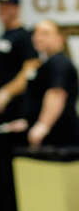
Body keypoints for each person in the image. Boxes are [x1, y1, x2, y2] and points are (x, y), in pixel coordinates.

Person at [10, 20, 79, 148]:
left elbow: (57, 94)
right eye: (36, 33)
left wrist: (43, 126)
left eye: (45, 33)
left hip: (59, 139)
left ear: (60, 38)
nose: (38, 37)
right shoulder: (43, 64)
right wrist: (28, 122)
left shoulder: (59, 63)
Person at [0, 0, 38, 124]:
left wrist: (7, 93)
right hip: (1, 108)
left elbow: (30, 69)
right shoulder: (1, 37)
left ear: (16, 8)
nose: (1, 9)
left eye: (6, 6)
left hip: (18, 106)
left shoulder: (24, 36)